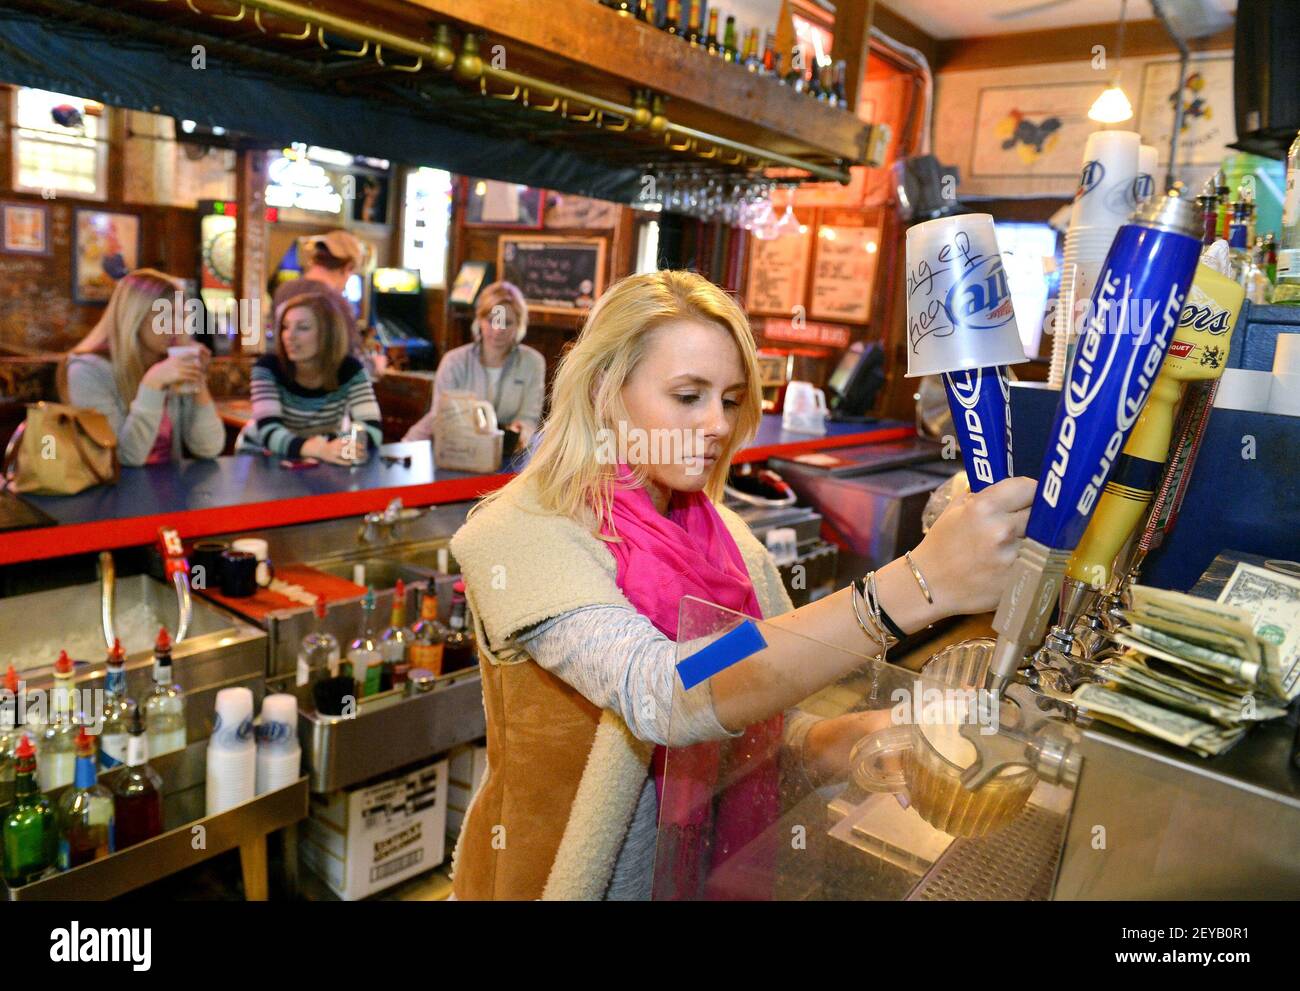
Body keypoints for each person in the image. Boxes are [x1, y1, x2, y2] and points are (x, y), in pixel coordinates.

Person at [447, 271, 1036, 900]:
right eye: (687, 395)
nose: (718, 425)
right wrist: (917, 587)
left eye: (728, 399)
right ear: (604, 393)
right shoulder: (523, 534)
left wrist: (840, 740)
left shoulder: (726, 541)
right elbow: (664, 689)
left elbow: (739, 691)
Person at [63, 268, 224, 466]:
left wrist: (198, 379)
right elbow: (125, 458)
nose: (176, 326)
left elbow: (209, 447)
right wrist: (152, 384)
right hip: (112, 491)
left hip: (167, 489)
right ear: (135, 317)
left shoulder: (170, 362)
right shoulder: (88, 371)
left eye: (182, 316)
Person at [235, 291, 382, 465]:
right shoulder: (268, 367)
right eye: (285, 327)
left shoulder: (350, 369)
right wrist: (321, 448)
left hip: (317, 460)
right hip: (259, 458)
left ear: (328, 334)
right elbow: (269, 431)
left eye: (303, 327)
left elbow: (372, 429)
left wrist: (343, 446)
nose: (289, 335)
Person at [403, 281, 545, 449]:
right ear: (479, 320)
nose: (498, 329)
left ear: (519, 325)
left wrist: (518, 434)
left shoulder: (532, 363)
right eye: (492, 320)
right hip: (442, 447)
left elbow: (528, 420)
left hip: (506, 452)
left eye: (506, 322)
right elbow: (440, 418)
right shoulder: (453, 361)